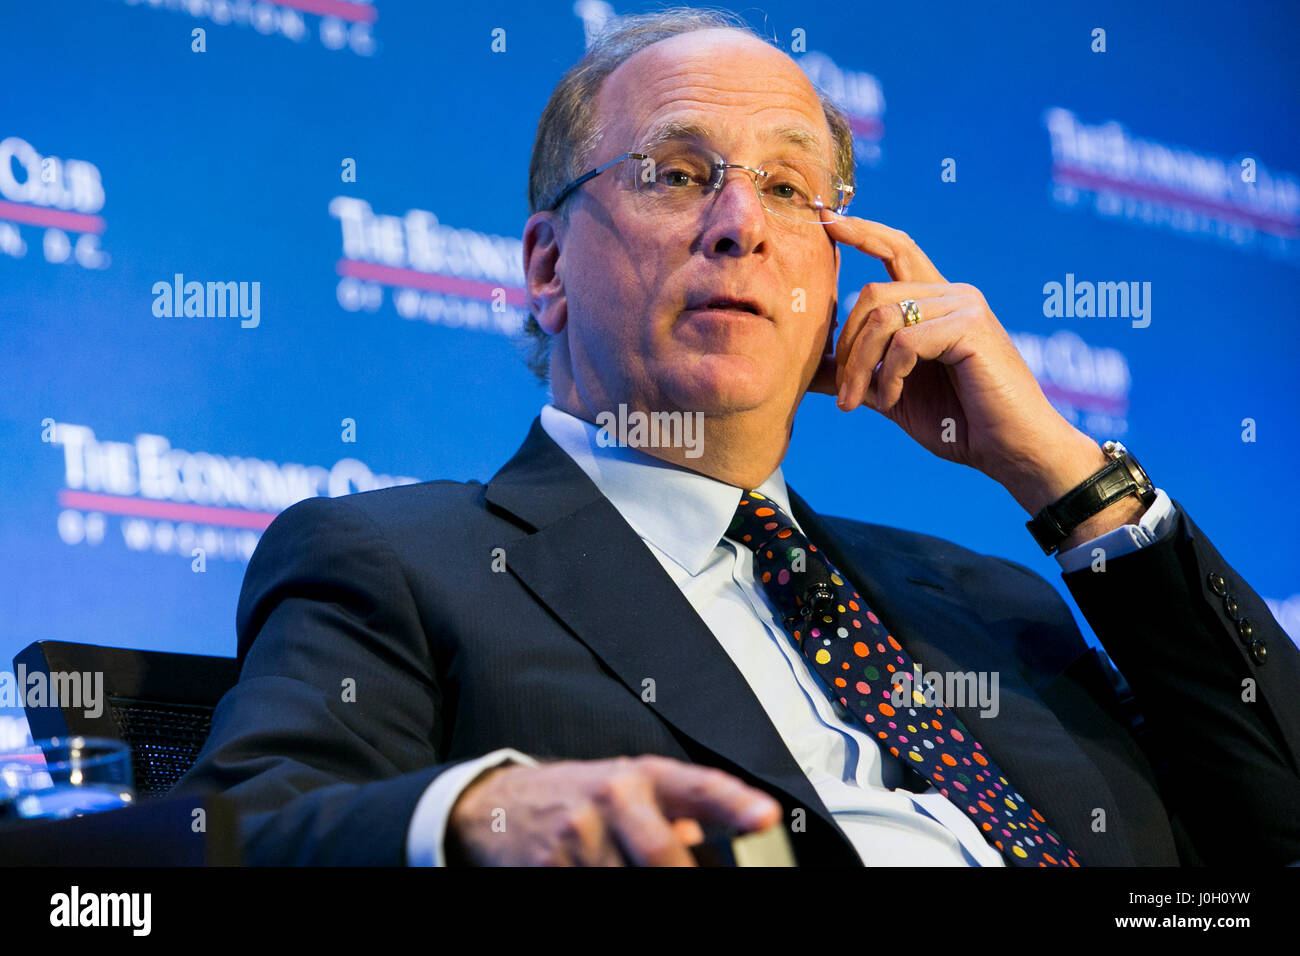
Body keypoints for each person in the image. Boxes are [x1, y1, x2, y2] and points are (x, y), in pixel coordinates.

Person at [174, 9, 1300, 866]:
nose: (739, 224)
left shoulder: (992, 599)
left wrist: (1056, 468)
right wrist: (483, 810)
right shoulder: (399, 560)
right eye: (675, 175)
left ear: (839, 263)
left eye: (789, 188)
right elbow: (236, 834)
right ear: (548, 267)